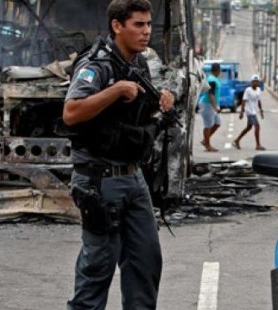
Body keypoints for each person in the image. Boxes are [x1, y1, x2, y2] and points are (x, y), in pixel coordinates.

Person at [62, 0, 174, 309]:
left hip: (133, 176)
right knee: (97, 268)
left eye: (149, 24)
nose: (146, 31)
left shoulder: (137, 63)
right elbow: (71, 112)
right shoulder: (96, 65)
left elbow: (133, 113)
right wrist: (116, 90)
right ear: (117, 26)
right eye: (138, 24)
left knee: (145, 263)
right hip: (100, 180)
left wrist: (161, 102)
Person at [232, 74, 265, 151]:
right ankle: (258, 145)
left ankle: (236, 140)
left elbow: (259, 100)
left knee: (248, 127)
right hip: (249, 111)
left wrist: (261, 111)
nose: (256, 83)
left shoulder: (259, 90)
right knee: (257, 126)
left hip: (254, 111)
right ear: (251, 82)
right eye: (254, 82)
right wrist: (241, 112)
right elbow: (244, 101)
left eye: (257, 82)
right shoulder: (248, 90)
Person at [199, 62, 222, 152]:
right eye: (220, 71)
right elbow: (210, 94)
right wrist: (215, 107)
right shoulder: (212, 80)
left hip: (211, 105)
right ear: (217, 70)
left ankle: (205, 140)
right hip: (207, 104)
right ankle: (207, 146)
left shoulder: (213, 79)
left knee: (217, 123)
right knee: (208, 125)